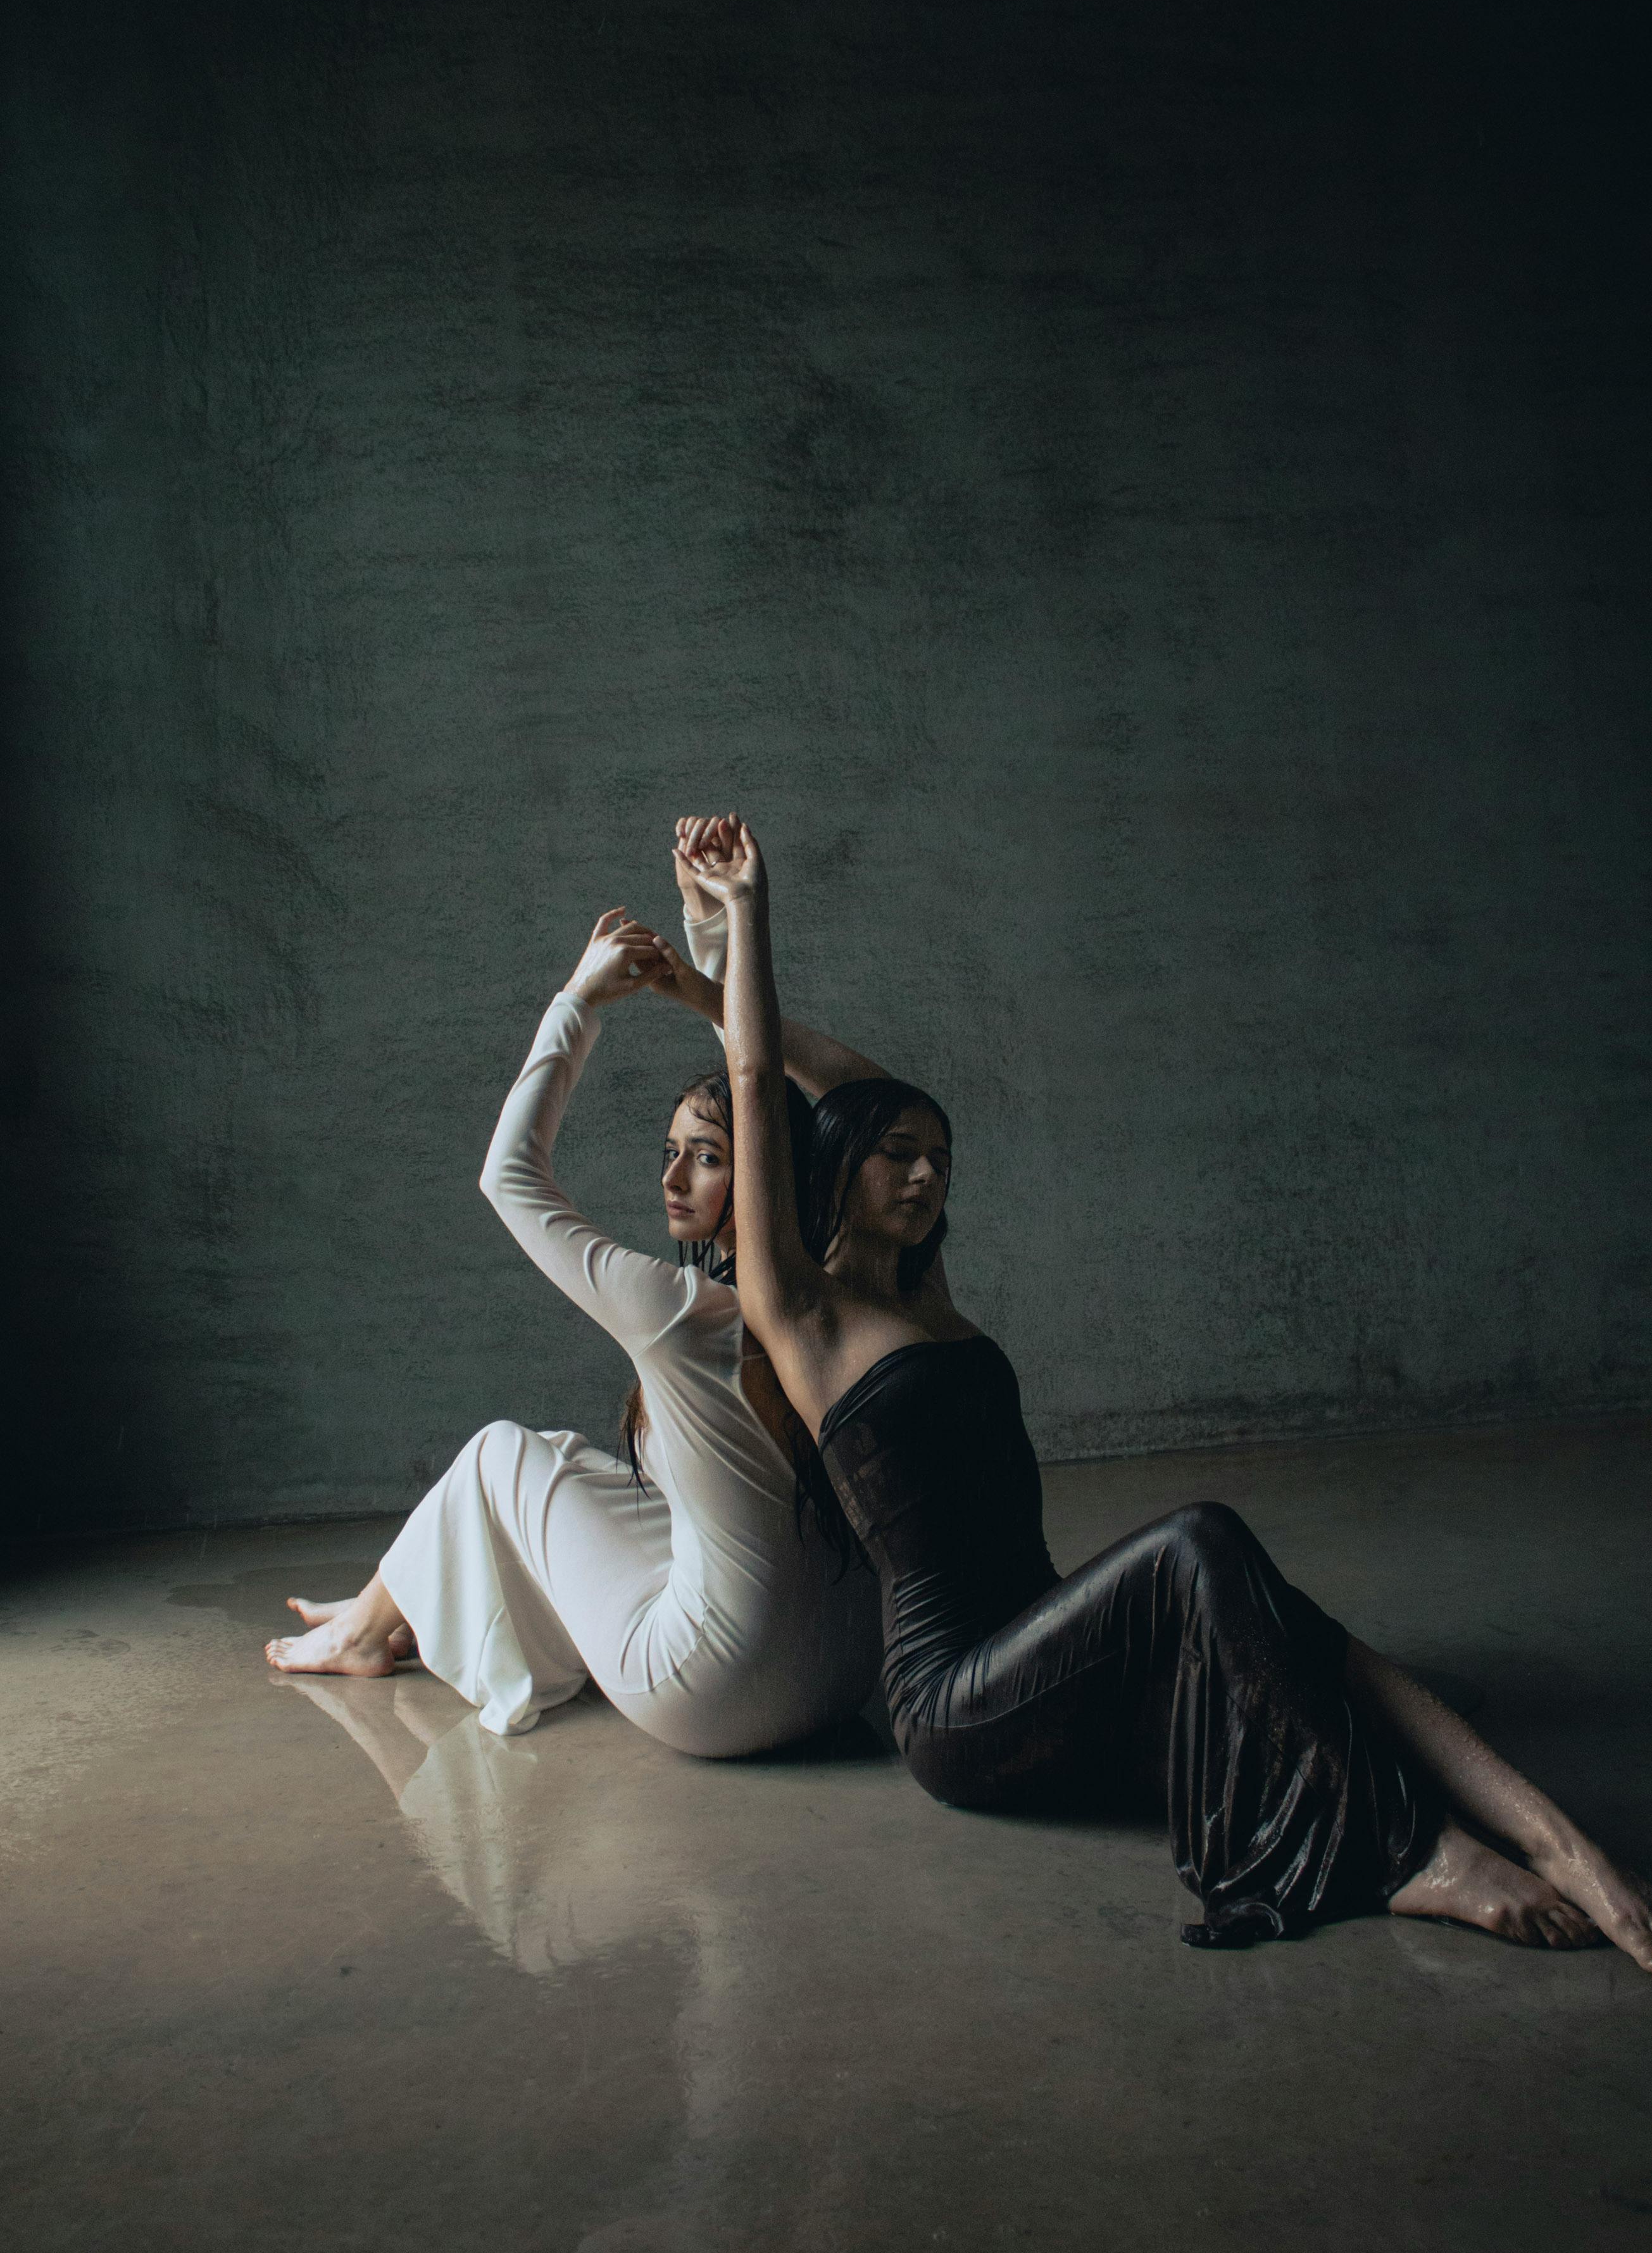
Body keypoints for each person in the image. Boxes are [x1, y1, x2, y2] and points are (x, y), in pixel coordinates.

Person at [678, 812, 1652, 1967]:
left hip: (1056, 1643)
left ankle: (1564, 1842)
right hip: (957, 1705)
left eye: (941, 1154)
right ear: (838, 1170)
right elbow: (761, 1077)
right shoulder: (804, 1313)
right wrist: (740, 922)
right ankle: (1413, 1859)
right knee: (1201, 1540)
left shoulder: (927, 1294)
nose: (929, 1171)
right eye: (899, 1154)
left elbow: (869, 1088)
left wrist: (711, 984)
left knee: (1307, 1644)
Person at [266, 865, 885, 1759]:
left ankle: (365, 1634)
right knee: (563, 1460)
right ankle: (400, 1591)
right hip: (842, 1675)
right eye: (669, 1151)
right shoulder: (841, 1291)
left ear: (760, 1172)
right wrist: (707, 954)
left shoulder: (682, 1315)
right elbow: (813, 1098)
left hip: (720, 1696)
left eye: (707, 1158)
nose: (672, 1178)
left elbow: (506, 1176)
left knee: (497, 1456)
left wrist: (578, 1000)